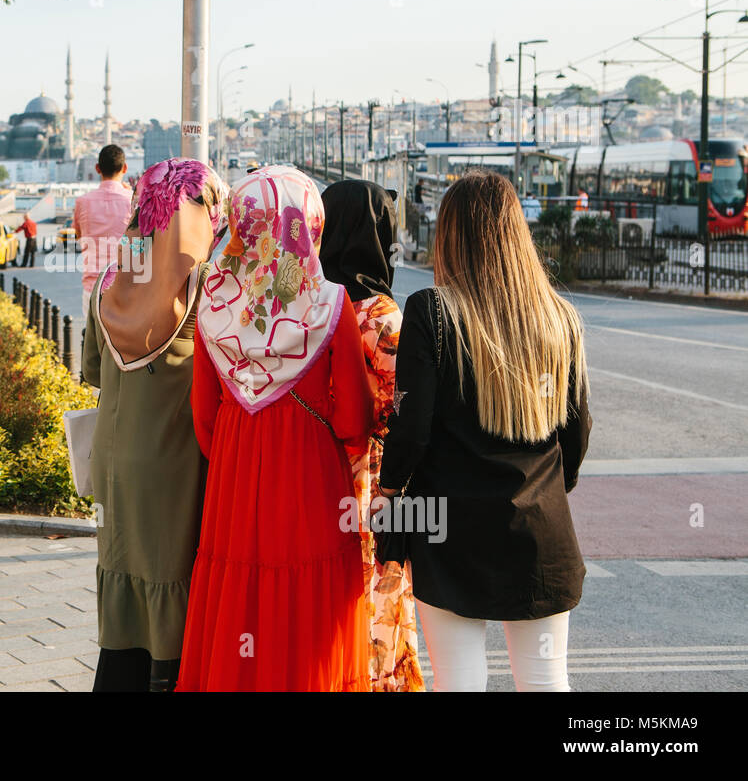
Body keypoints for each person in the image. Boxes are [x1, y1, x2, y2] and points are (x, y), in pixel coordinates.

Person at [379, 169, 591, 692]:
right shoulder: (559, 317)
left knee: (460, 683)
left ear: (449, 236)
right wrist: (547, 490)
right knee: (545, 679)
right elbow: (577, 431)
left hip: (450, 532)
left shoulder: (433, 312)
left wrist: (389, 495)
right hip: (540, 528)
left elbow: (412, 427)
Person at [177, 166, 374, 692]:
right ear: (308, 224)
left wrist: (239, 451)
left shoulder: (214, 307)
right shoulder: (331, 305)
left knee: (240, 590)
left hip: (236, 473)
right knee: (309, 603)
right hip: (310, 476)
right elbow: (355, 420)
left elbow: (203, 416)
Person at [81, 157, 229, 692]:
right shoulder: (206, 290)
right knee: (170, 576)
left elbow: (93, 373)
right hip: (172, 462)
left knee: (123, 569)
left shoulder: (108, 283)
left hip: (114, 462)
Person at [319, 180, 425, 693]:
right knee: (378, 603)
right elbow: (402, 407)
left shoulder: (312, 303)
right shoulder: (380, 316)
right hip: (372, 483)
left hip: (316, 468)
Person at [74, 144, 133, 316]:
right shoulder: (133, 201)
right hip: (125, 286)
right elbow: (141, 243)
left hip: (93, 285)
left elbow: (80, 236)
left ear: (98, 168)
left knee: (92, 342)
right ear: (125, 168)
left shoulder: (82, 202)